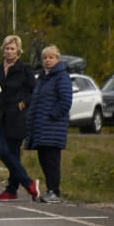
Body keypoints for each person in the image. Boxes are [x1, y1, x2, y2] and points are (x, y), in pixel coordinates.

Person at [0, 35, 39, 202]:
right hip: (1, 116)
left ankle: (28, 183)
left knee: (4, 151)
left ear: (18, 51)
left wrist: (23, 104)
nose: (9, 51)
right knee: (11, 154)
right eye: (7, 48)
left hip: (17, 117)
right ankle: (12, 190)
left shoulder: (24, 69)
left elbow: (34, 91)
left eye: (12, 48)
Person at [24, 44, 73, 203]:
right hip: (41, 128)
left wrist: (52, 116)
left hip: (53, 127)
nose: (47, 60)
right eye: (45, 58)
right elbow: (36, 101)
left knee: (52, 160)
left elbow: (65, 101)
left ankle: (55, 191)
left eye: (51, 57)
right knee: (43, 159)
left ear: (58, 59)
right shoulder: (43, 78)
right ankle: (50, 189)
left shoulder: (61, 76)